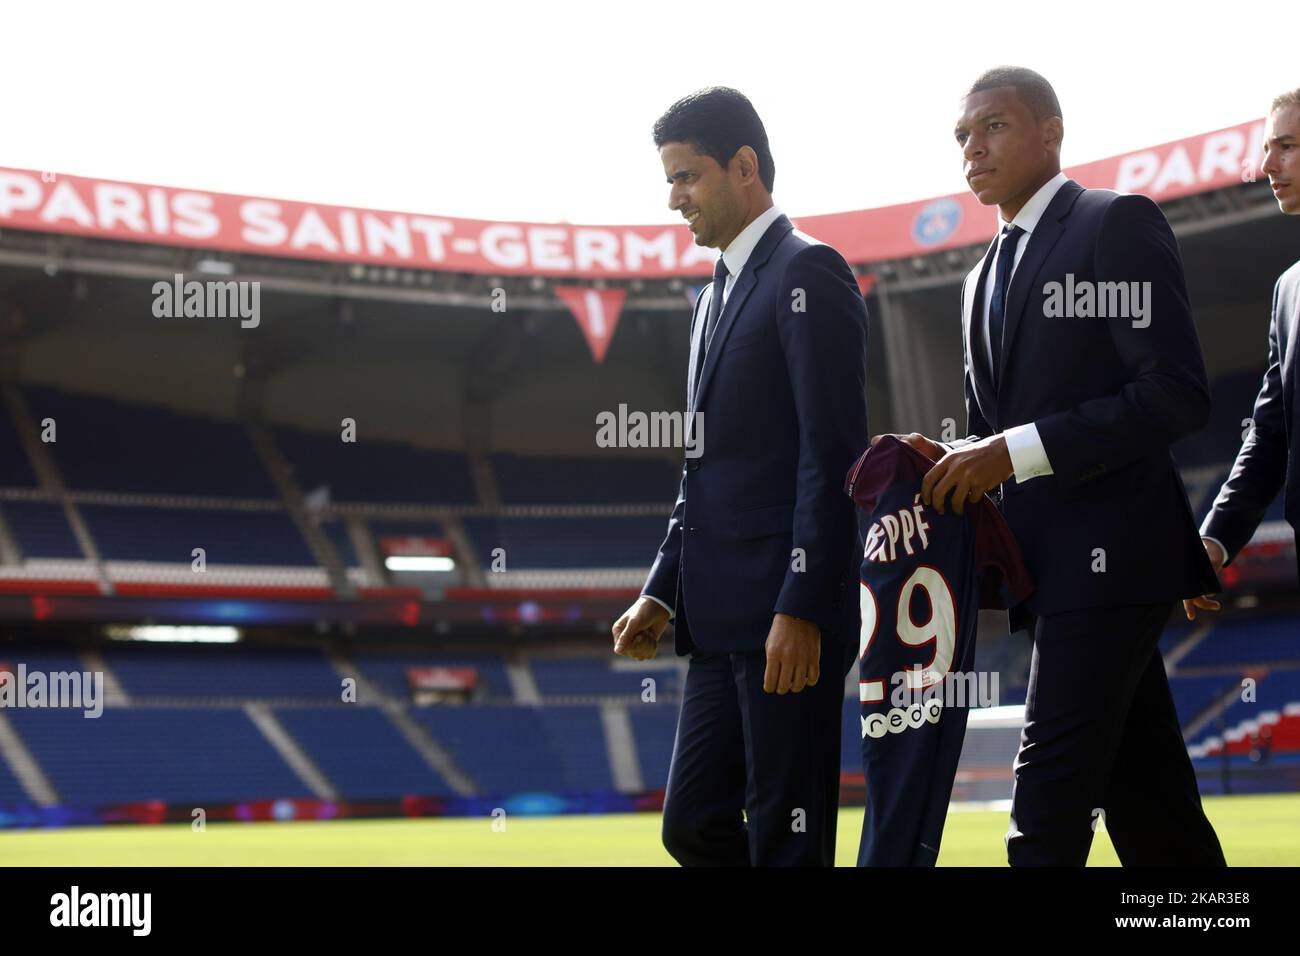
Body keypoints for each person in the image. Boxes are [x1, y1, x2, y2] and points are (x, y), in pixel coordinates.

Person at [880, 66, 1225, 865]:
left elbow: (1175, 393)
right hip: (1050, 576)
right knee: (1155, 815)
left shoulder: (1115, 223)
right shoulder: (974, 281)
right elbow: (990, 438)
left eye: (993, 126)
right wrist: (959, 458)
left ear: (1051, 131)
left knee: (1043, 822)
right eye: (962, 135)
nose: (972, 146)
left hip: (1116, 565)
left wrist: (1014, 450)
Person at [611, 86, 868, 866]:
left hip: (787, 616)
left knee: (788, 832)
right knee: (692, 825)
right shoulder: (708, 299)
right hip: (718, 616)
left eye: (686, 177)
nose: (672, 198)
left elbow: (833, 456)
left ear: (744, 167)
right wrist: (662, 588)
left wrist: (805, 604)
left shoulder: (809, 272)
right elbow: (703, 470)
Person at [1189, 88, 1300, 618]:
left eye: (1286, 146)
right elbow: (1272, 432)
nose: (1266, 164)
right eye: (1267, 148)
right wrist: (1215, 538)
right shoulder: (1288, 292)